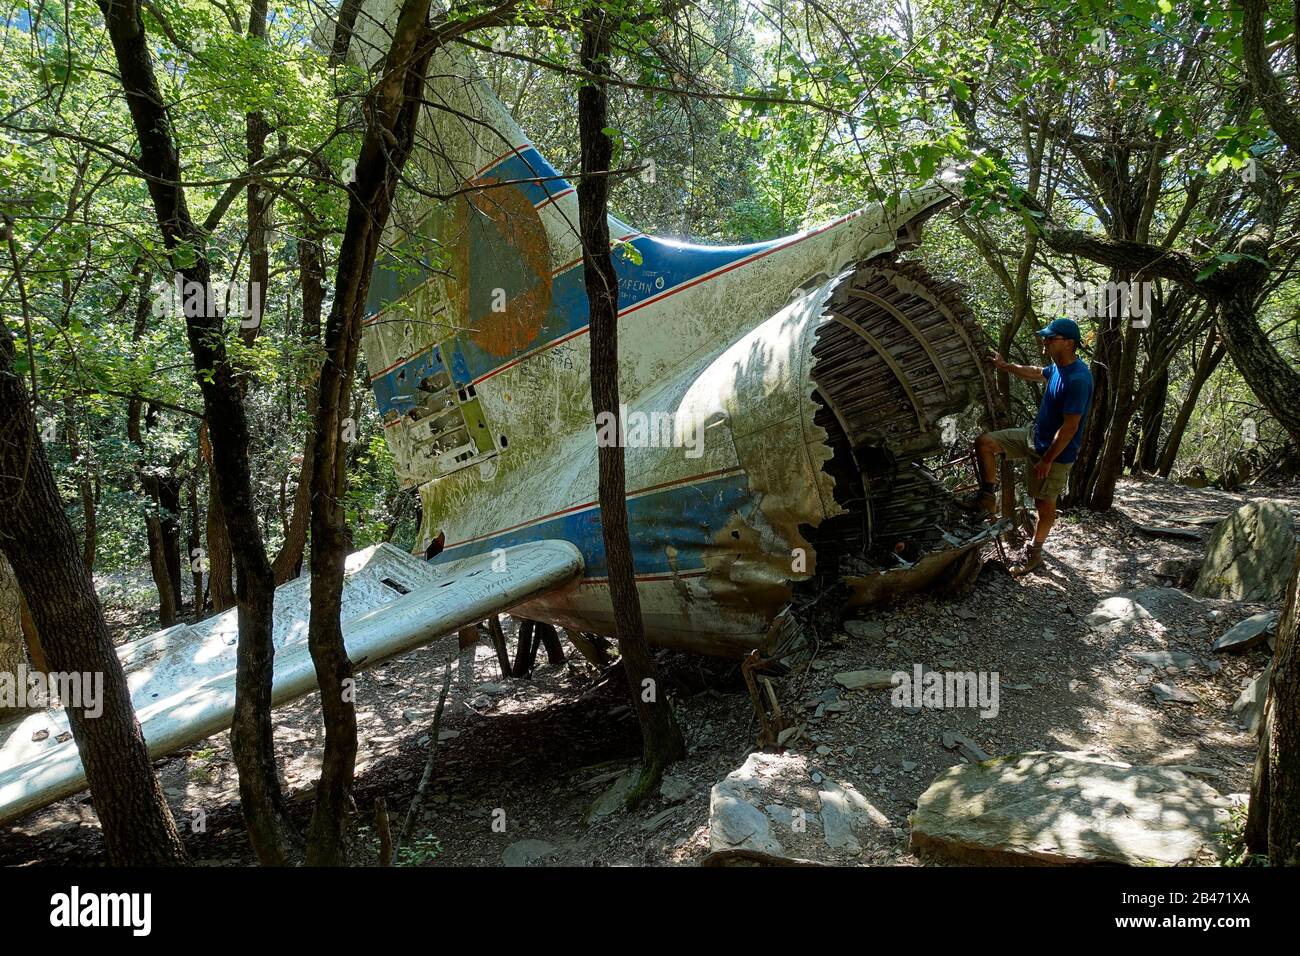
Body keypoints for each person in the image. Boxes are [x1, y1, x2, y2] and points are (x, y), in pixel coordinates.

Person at [962, 318, 1094, 575]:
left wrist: (1047, 460)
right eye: (1045, 337)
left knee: (1044, 505)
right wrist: (1004, 365)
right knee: (986, 442)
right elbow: (1036, 372)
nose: (1044, 342)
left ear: (1069, 343)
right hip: (1034, 436)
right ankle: (988, 497)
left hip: (1055, 454)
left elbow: (1069, 428)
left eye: (1050, 338)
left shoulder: (1078, 379)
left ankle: (1034, 553)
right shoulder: (1057, 367)